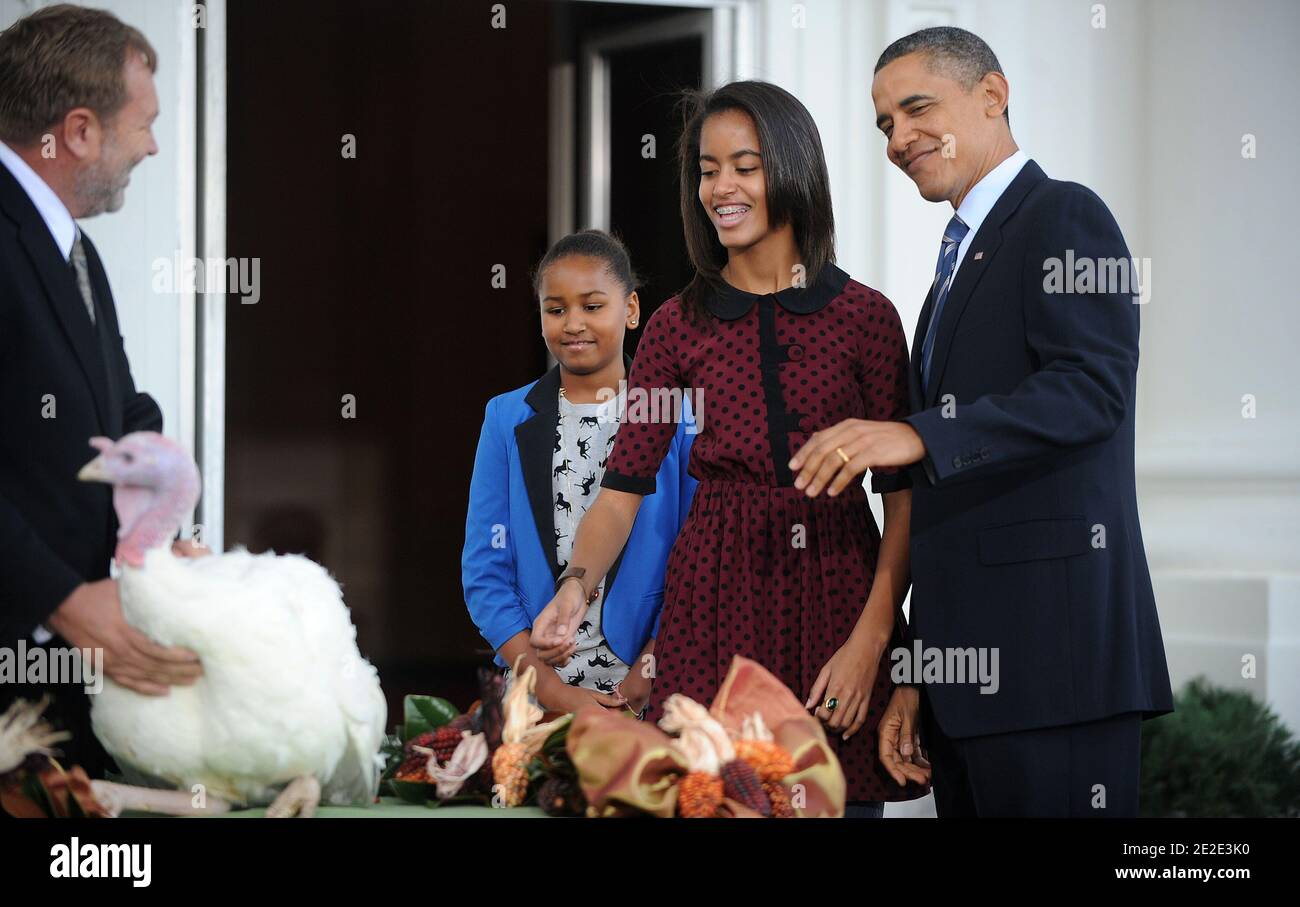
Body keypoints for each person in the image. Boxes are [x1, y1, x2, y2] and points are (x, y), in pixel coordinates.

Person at [793, 26, 1174, 816]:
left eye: (915, 108)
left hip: (1053, 669)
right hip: (968, 691)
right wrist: (919, 673)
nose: (897, 139)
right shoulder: (951, 270)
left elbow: (1093, 388)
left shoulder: (1065, 214)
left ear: (992, 95)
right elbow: (953, 509)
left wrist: (919, 432)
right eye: (884, 123)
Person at [532, 82, 924, 816]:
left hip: (838, 593)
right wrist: (575, 585)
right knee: (709, 797)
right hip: (712, 598)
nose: (722, 187)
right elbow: (622, 488)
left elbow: (902, 502)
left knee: (831, 800)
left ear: (792, 170)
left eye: (744, 165)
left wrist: (873, 638)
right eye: (708, 170)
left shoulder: (868, 318)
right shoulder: (677, 328)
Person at [0, 4, 202, 780]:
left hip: (67, 691)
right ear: (79, 131)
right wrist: (59, 597)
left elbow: (118, 410)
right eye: (142, 123)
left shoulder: (75, 247)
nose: (152, 145)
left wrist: (160, 518)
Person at [462, 230, 696, 714]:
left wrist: (648, 672)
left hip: (655, 687)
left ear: (631, 310)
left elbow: (696, 560)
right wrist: (553, 692)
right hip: (537, 695)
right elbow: (485, 571)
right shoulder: (506, 418)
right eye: (555, 309)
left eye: (592, 306)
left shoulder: (676, 414)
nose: (573, 324)